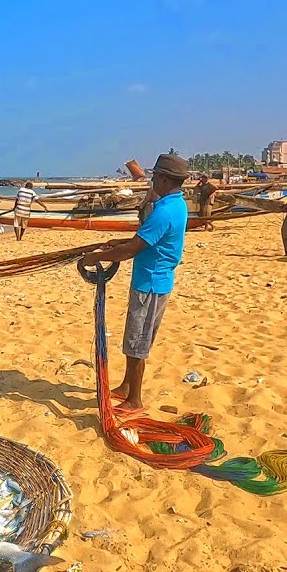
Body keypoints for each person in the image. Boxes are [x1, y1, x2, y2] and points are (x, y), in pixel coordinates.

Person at [80, 154, 189, 417]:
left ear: (163, 179)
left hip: (150, 284)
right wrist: (117, 242)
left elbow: (133, 250)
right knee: (134, 340)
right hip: (153, 280)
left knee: (137, 344)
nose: (152, 181)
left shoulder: (163, 212)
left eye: (154, 178)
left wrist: (96, 257)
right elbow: (141, 240)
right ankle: (127, 386)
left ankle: (135, 400)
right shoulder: (176, 205)